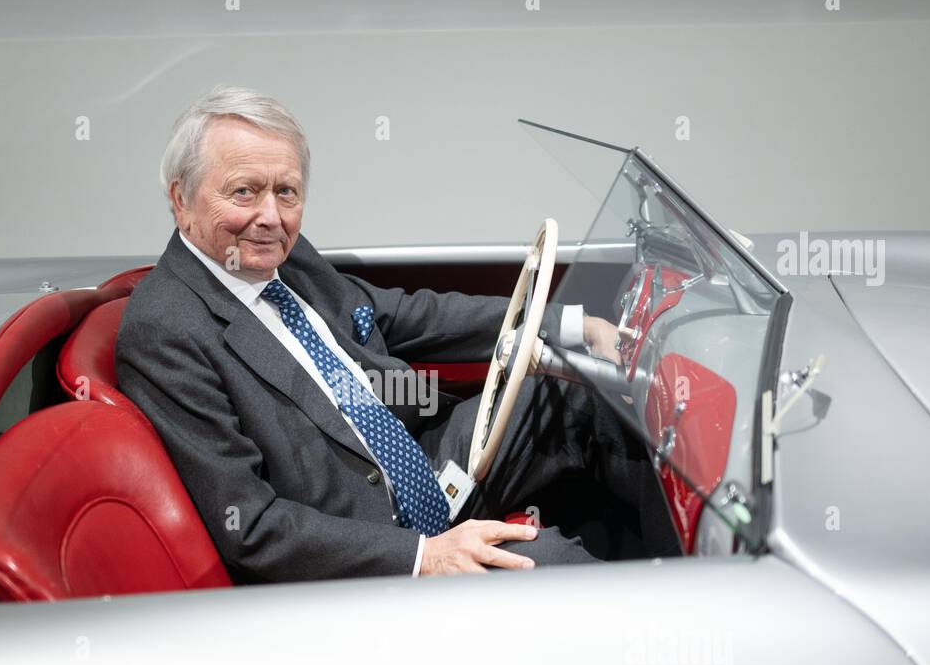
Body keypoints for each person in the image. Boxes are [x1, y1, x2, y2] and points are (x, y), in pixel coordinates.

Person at [116, 85, 634, 583]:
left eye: (287, 192)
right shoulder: (165, 328)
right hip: (368, 541)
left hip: (420, 461)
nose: (270, 217)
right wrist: (425, 555)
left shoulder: (283, 257)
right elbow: (250, 526)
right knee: (552, 565)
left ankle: (693, 565)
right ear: (181, 200)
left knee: (584, 390)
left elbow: (401, 315)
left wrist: (573, 327)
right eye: (244, 192)